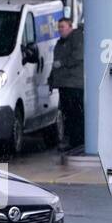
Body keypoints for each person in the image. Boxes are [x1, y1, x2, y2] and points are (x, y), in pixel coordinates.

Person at [49, 17, 85, 151]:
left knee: (74, 114)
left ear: (70, 26)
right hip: (64, 83)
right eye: (59, 27)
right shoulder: (61, 43)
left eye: (62, 27)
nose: (60, 30)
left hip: (74, 83)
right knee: (67, 114)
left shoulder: (76, 38)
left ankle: (76, 141)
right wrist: (51, 79)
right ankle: (72, 140)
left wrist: (62, 63)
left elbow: (78, 56)